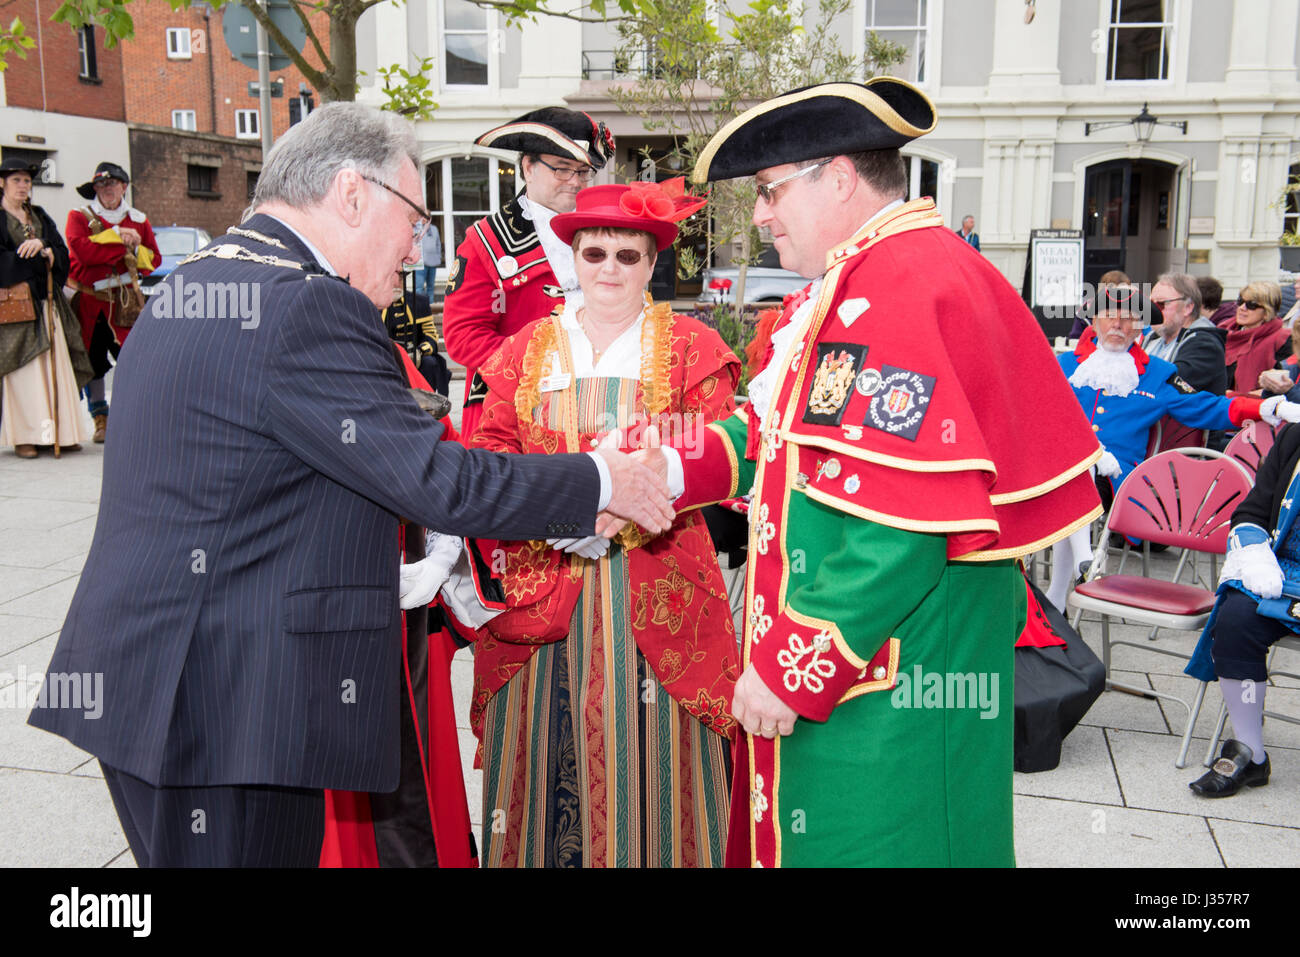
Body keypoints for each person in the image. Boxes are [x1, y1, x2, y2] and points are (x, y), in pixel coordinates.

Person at [26, 102, 675, 868]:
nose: (416, 246)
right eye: (415, 218)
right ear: (353, 193)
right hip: (231, 712)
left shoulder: (196, 281)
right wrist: (605, 478)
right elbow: (436, 478)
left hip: (147, 681)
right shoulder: (309, 303)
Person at [647, 79, 1105, 867]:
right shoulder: (875, 277)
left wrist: (794, 663)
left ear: (838, 178)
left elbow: (898, 525)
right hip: (893, 663)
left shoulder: (896, 287)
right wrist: (662, 467)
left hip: (887, 681)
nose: (760, 215)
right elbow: (782, 436)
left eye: (768, 190)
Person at [458, 179, 741, 867]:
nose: (609, 268)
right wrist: (550, 508)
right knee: (540, 767)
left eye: (626, 254)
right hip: (544, 594)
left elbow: (715, 457)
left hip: (658, 591)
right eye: (594, 253)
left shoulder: (691, 348)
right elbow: (488, 452)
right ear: (574, 259)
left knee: (659, 780)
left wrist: (615, 510)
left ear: (651, 264)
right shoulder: (526, 349)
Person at [1045, 281, 1297, 611]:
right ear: (1094, 320)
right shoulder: (1065, 366)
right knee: (1077, 467)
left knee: (1084, 470)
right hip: (1061, 471)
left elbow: (1209, 406)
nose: (1118, 325)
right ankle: (1080, 567)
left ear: (1140, 326)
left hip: (1115, 477)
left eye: (1128, 318)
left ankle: (1070, 578)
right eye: (1109, 316)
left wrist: (1266, 408)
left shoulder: (1158, 375)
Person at [442, 107, 615, 438]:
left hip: (591, 405)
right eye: (563, 169)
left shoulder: (599, 232)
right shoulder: (485, 241)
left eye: (583, 171)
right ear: (528, 167)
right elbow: (463, 337)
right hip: (510, 412)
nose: (575, 182)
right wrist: (541, 368)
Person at [1184, 422, 1300, 796]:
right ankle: (1251, 750)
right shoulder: (1295, 435)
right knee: (1235, 622)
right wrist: (1255, 555)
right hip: (1286, 571)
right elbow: (1252, 510)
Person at [0, 158, 94, 457]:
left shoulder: (38, 215)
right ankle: (26, 437)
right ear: (2, 183)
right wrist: (24, 259)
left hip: (46, 303)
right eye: (16, 180)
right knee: (24, 371)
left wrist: (47, 249)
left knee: (55, 366)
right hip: (15, 309)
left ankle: (61, 433)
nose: (23, 186)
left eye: (27, 180)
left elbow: (60, 251)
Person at [65, 161, 160, 444]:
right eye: (101, 186)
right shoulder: (79, 216)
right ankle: (100, 419)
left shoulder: (139, 219)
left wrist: (134, 248)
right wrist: (120, 239)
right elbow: (83, 252)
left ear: (124, 187)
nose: (107, 190)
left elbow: (153, 259)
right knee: (92, 360)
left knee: (133, 358)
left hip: (124, 301)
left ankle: (131, 416)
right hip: (90, 300)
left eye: (113, 184)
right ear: (95, 189)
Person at [1142, 271, 1227, 451]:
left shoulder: (1204, 343)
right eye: (1150, 304)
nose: (1153, 311)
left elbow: (1168, 384)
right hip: (1150, 441)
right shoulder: (1153, 338)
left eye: (1160, 304)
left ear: (1188, 307)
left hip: (1186, 451)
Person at [1219, 281, 1288, 395]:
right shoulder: (1223, 331)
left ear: (1267, 311)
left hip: (1256, 408)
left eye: (1251, 305)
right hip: (1219, 405)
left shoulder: (1283, 340)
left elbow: (1284, 388)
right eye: (1240, 301)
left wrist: (1237, 396)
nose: (1242, 308)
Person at [417, 224, 441, 299]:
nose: (425, 220)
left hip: (433, 262)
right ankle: (419, 308)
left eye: (427, 218)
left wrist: (438, 257)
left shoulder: (434, 228)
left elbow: (438, 244)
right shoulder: (417, 229)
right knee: (418, 288)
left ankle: (430, 307)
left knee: (430, 287)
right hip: (420, 263)